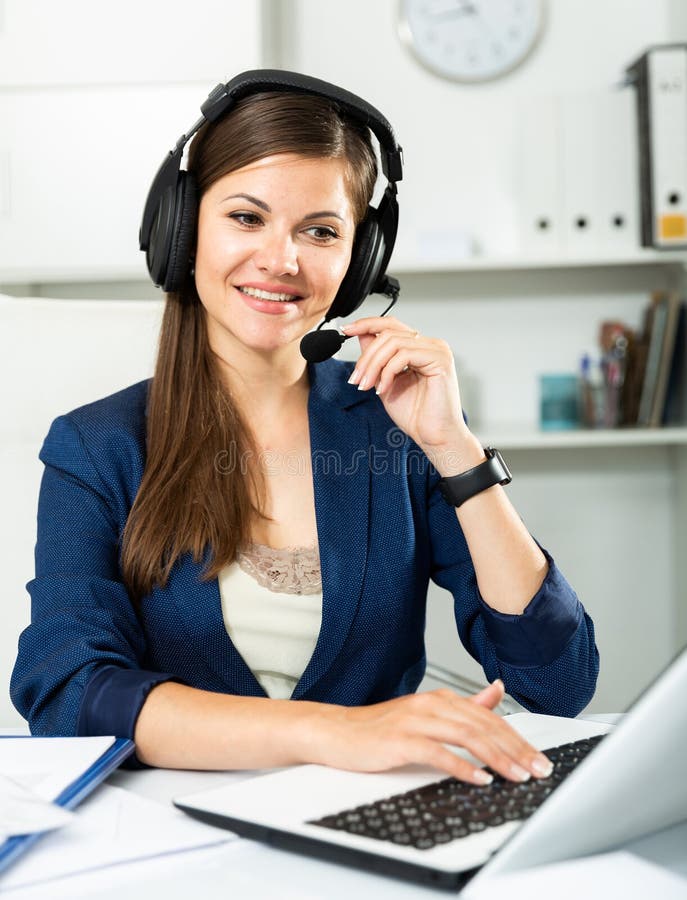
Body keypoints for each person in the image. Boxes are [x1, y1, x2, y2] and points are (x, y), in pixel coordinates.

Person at [11, 71, 598, 785]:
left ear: (359, 261)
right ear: (182, 228)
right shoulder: (95, 447)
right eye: (246, 217)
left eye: (319, 231)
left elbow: (557, 686)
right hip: (169, 831)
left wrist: (454, 450)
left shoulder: (393, 429)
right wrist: (335, 732)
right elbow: (68, 689)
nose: (281, 261)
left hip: (363, 823)